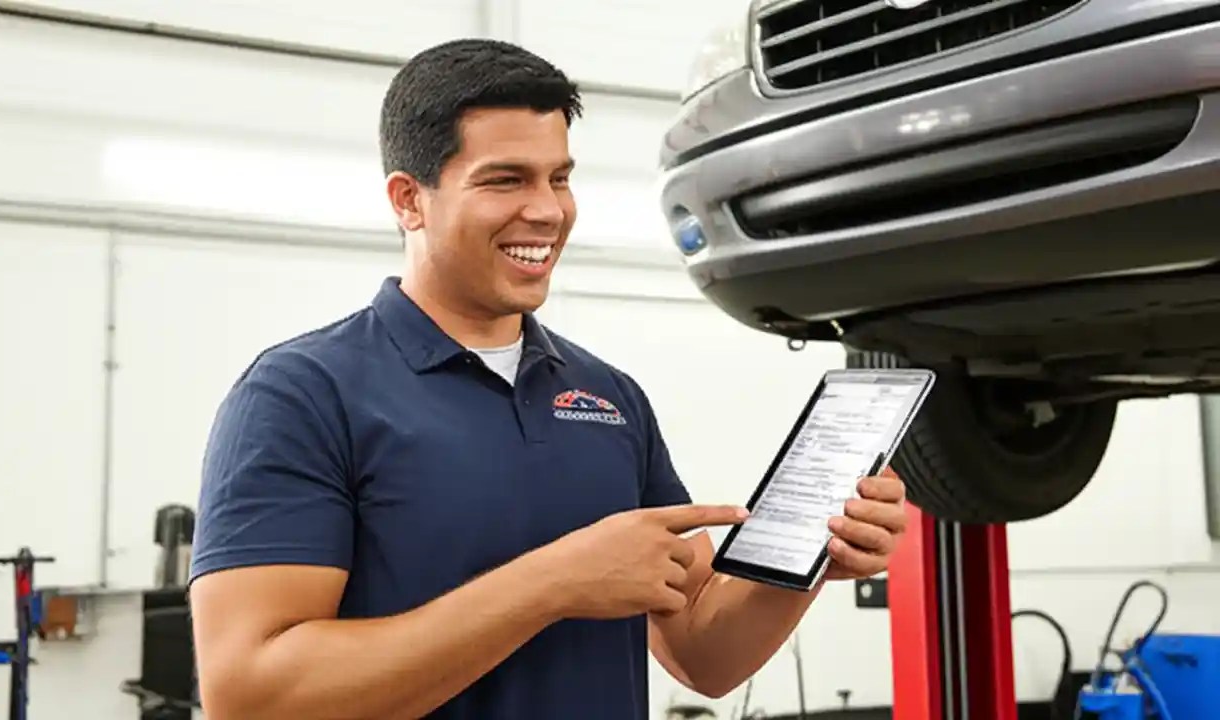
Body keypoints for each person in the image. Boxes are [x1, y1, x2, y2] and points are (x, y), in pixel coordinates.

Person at [187, 38, 909, 720]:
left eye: (559, 178)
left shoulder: (610, 397)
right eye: (505, 180)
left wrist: (807, 558)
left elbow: (702, 652)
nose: (547, 211)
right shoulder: (302, 394)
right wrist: (555, 582)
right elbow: (249, 697)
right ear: (409, 199)